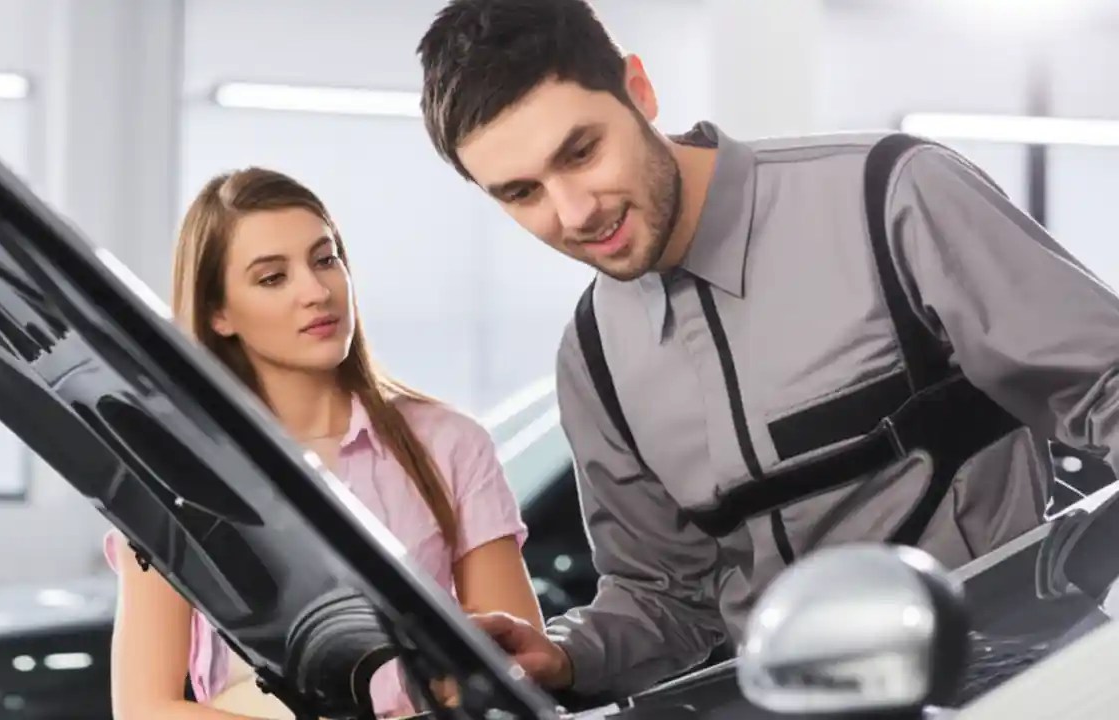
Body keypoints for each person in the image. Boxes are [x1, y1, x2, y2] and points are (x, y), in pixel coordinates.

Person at [413, 0, 1119, 702]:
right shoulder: (591, 360)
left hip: (1022, 687)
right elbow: (662, 601)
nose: (573, 212)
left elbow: (1106, 388)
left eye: (581, 152)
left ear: (639, 90)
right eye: (522, 192)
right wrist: (562, 657)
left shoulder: (891, 195)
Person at [104, 167, 543, 719]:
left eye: (324, 258)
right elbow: (145, 708)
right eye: (272, 278)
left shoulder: (450, 444)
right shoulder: (172, 472)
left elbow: (513, 669)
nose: (316, 292)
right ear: (218, 313)